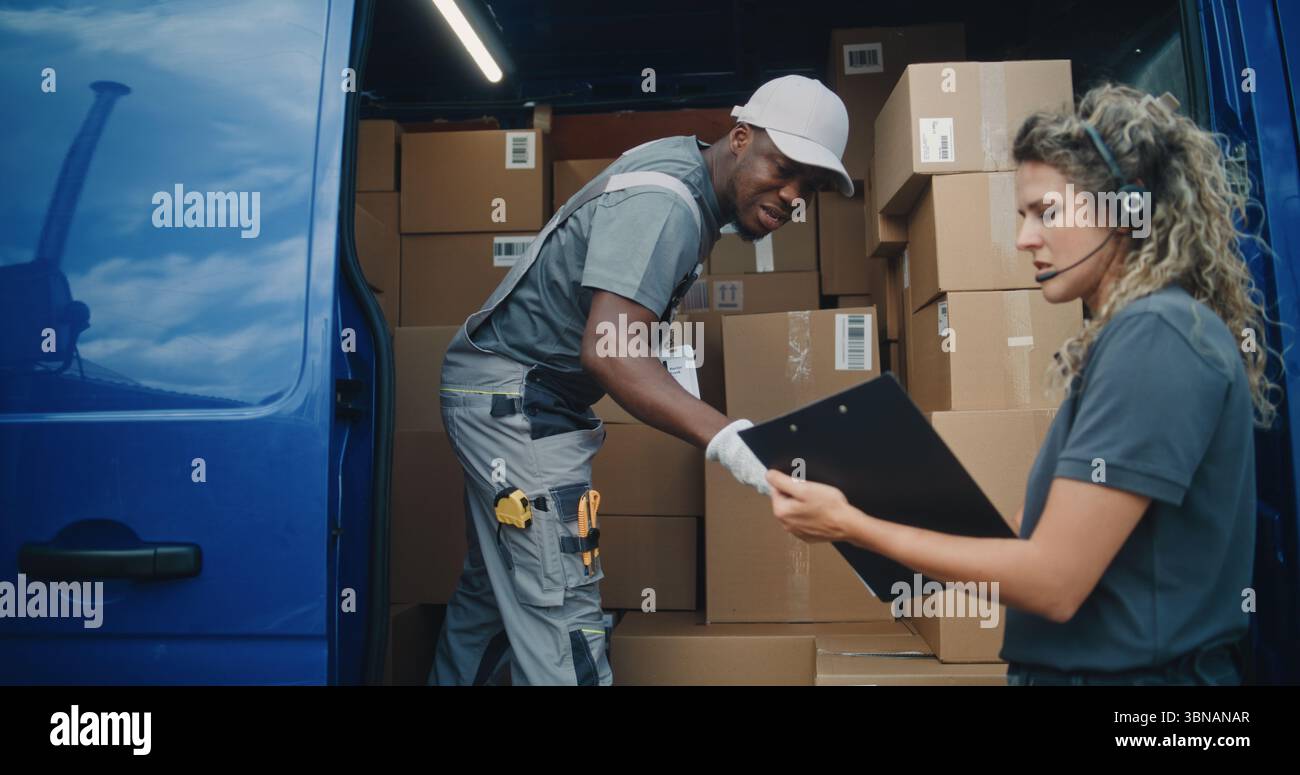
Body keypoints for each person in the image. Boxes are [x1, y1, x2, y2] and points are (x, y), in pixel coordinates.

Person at [765, 84, 1276, 685]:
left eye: (1047, 212)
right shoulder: (1142, 336)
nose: (1024, 239)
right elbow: (1049, 545)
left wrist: (853, 526)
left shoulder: (1157, 338)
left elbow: (1054, 582)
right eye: (1022, 216)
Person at [431, 76, 854, 685]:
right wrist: (734, 442)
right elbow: (613, 354)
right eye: (784, 169)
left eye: (807, 187)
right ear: (740, 137)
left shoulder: (687, 176)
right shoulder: (669, 202)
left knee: (496, 600)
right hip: (516, 401)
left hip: (503, 392)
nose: (792, 196)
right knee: (563, 611)